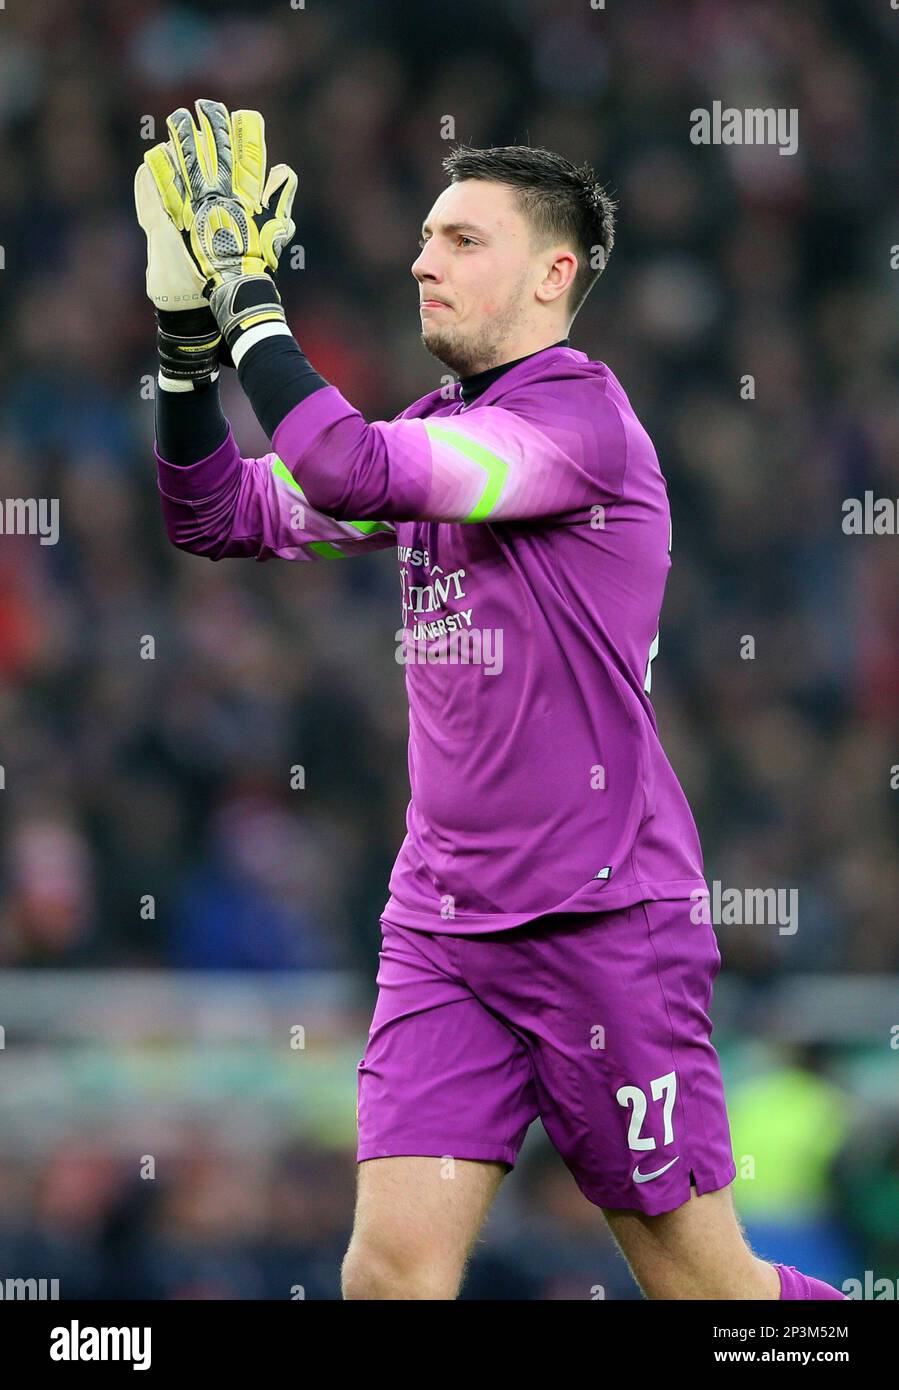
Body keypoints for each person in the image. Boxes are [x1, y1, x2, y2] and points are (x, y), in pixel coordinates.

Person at [135, 99, 846, 1301]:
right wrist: (179, 337)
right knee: (388, 1275)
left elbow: (342, 466)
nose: (422, 259)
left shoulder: (575, 430)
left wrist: (249, 296)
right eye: (422, 236)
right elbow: (214, 513)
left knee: (703, 1291)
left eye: (462, 239)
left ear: (552, 273)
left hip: (602, 919)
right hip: (445, 929)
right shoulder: (435, 436)